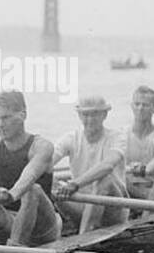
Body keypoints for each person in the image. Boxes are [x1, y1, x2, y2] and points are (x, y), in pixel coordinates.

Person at [0, 90, 61, 247]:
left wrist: (10, 195)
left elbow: (28, 178)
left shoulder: (42, 146)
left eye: (6, 118)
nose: (0, 124)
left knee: (33, 189)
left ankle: (13, 251)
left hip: (44, 227)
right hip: (11, 220)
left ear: (23, 115)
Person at [52, 95, 129, 233]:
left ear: (105, 115)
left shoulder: (117, 137)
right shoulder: (71, 138)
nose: (90, 119)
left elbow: (107, 166)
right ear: (79, 115)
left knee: (105, 180)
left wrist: (75, 184)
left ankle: (83, 236)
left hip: (113, 208)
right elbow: (47, 161)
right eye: (85, 114)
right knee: (46, 177)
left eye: (95, 114)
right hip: (82, 205)